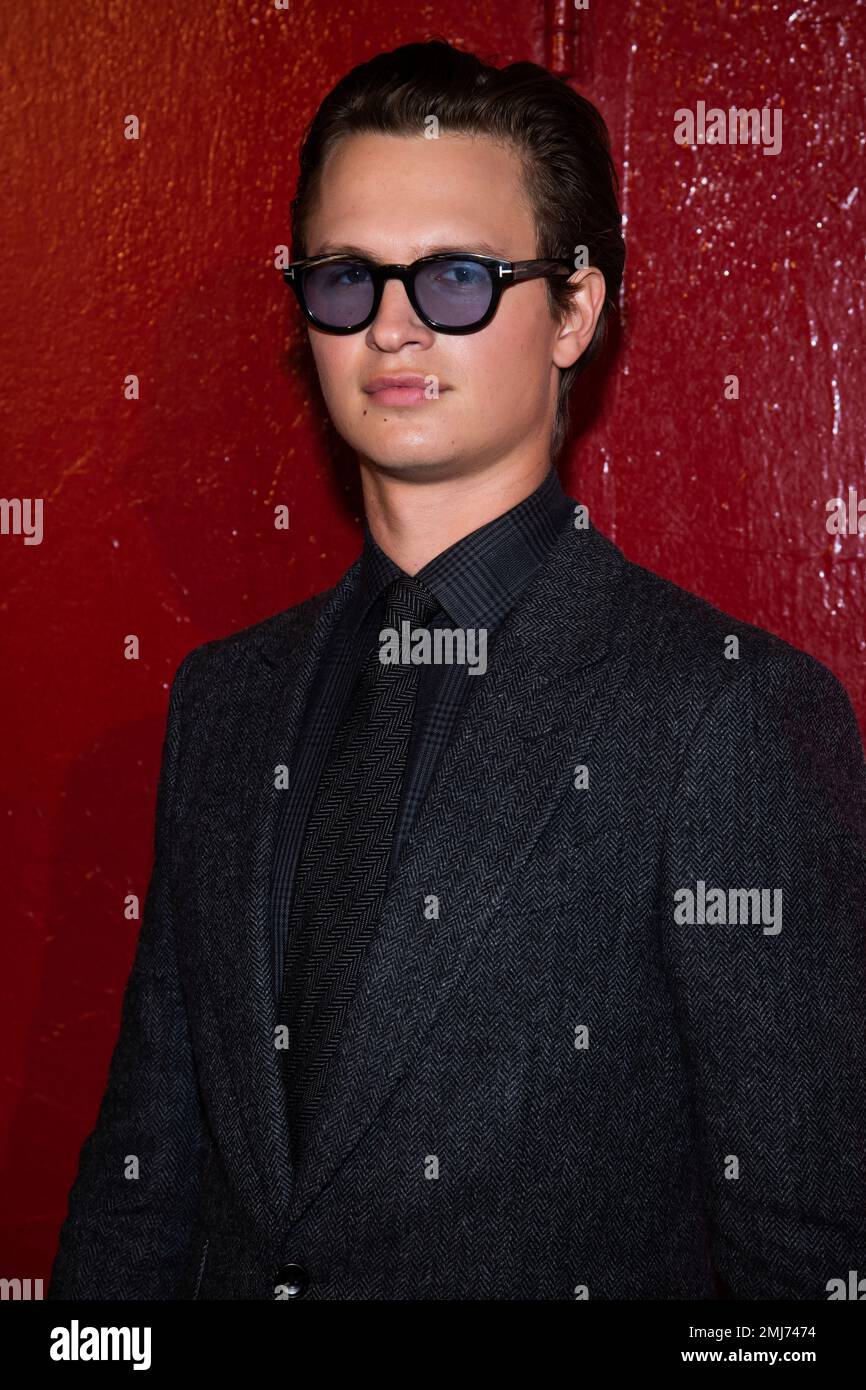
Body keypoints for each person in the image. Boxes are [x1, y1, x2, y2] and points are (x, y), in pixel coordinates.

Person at [49, 38, 866, 1301]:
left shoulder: (723, 713)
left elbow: (805, 1261)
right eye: (344, 279)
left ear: (574, 313)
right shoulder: (224, 703)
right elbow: (144, 1177)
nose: (388, 324)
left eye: (456, 277)